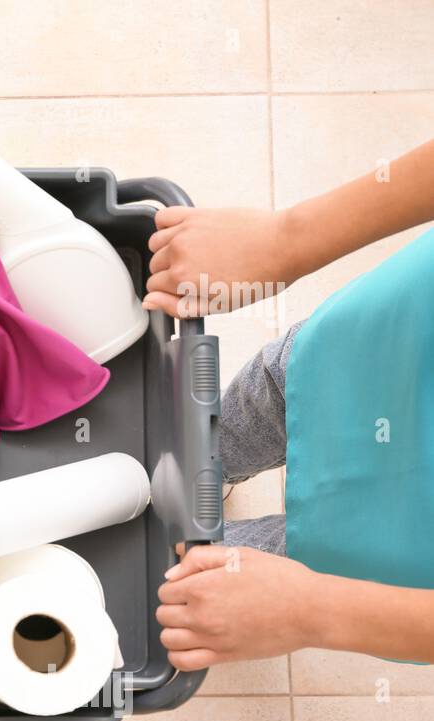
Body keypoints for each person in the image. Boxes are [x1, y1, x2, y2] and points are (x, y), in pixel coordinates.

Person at [141, 138, 434, 671]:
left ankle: (179, 522)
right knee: (251, 411)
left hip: (394, 557)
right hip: (379, 348)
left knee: (178, 575)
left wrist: (309, 610)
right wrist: (285, 239)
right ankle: (199, 478)